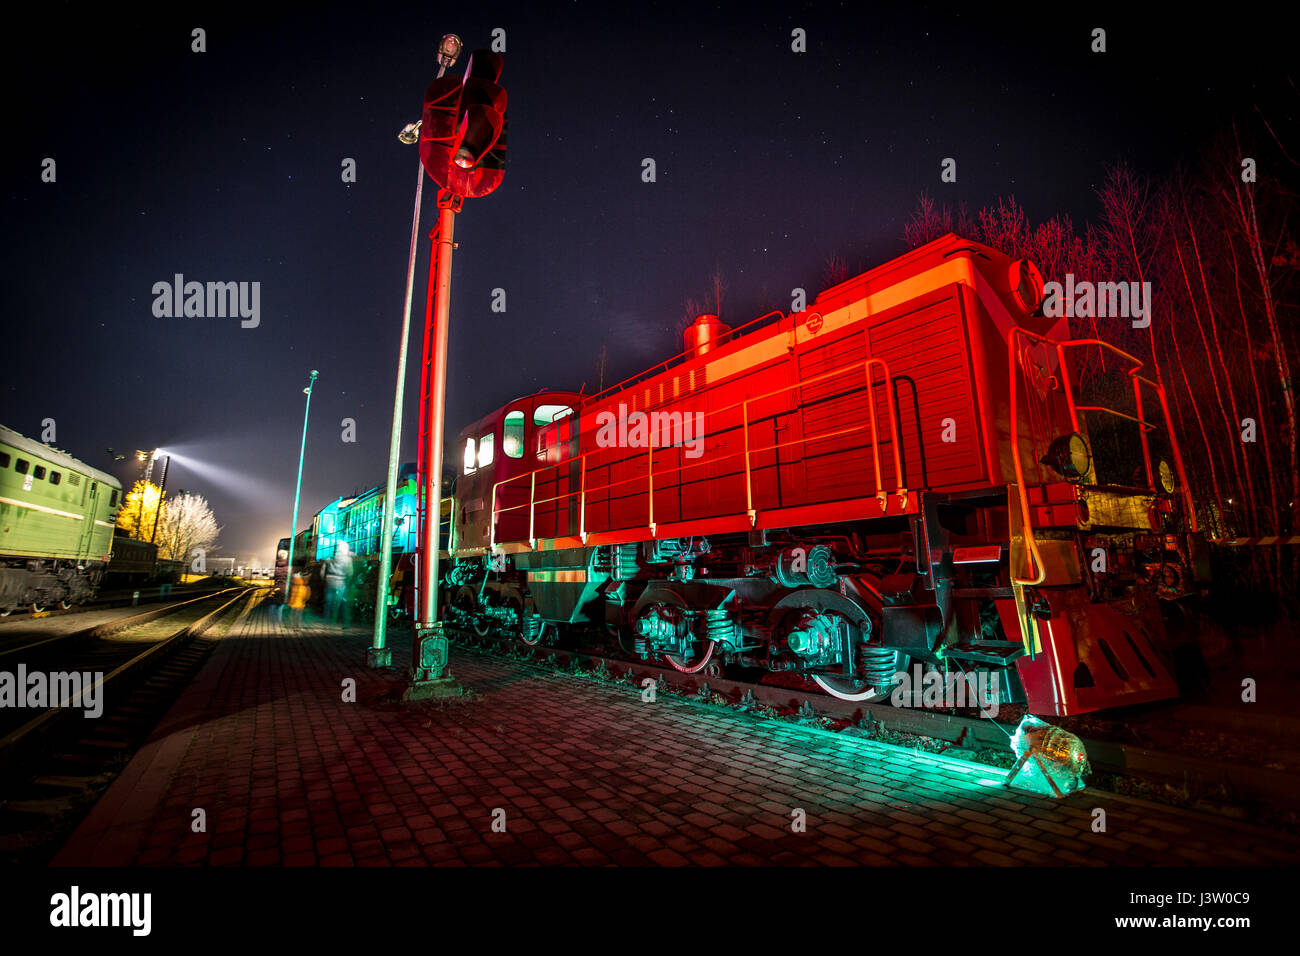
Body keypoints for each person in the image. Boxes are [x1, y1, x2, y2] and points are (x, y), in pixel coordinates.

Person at [322, 541, 353, 629]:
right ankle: (345, 623)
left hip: (329, 582)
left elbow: (322, 572)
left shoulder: (329, 558)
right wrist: (348, 582)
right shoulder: (348, 559)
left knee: (328, 603)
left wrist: (325, 580)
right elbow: (350, 573)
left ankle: (326, 623)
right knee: (343, 603)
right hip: (340, 582)